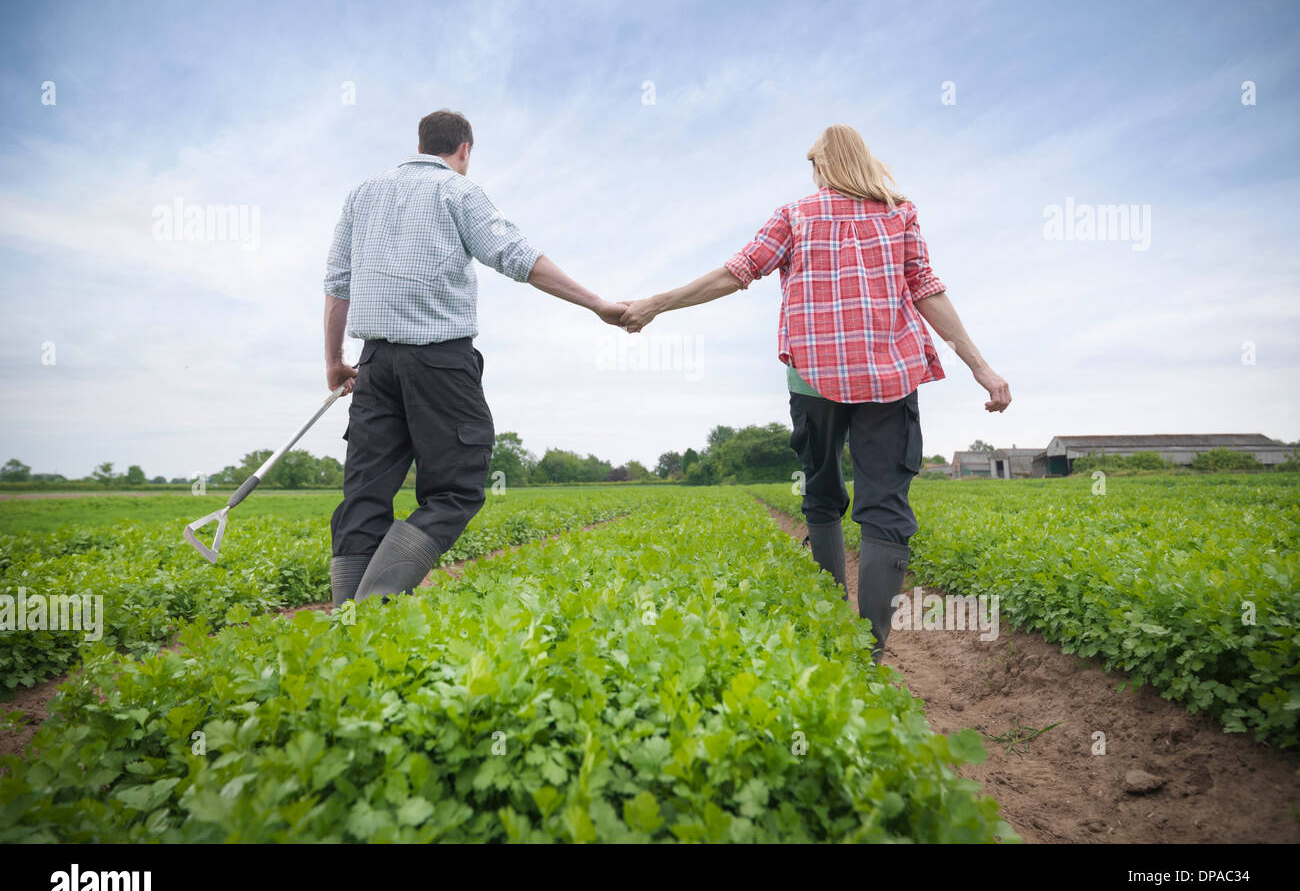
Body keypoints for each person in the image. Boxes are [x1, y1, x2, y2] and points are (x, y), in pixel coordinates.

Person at [621, 124, 1011, 663]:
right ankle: (869, 652)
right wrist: (982, 367)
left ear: (822, 167)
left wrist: (657, 303)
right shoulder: (900, 212)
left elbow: (737, 273)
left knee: (823, 494)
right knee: (885, 506)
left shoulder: (797, 214)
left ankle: (833, 631)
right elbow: (927, 289)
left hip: (813, 377)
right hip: (887, 377)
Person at [323, 110, 627, 606]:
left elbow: (337, 284)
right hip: (439, 364)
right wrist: (597, 304)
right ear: (464, 149)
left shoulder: (362, 195)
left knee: (365, 494)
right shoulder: (459, 192)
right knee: (455, 490)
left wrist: (335, 360)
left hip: (374, 364)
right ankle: (371, 606)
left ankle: (346, 620)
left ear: (419, 144)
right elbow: (515, 255)